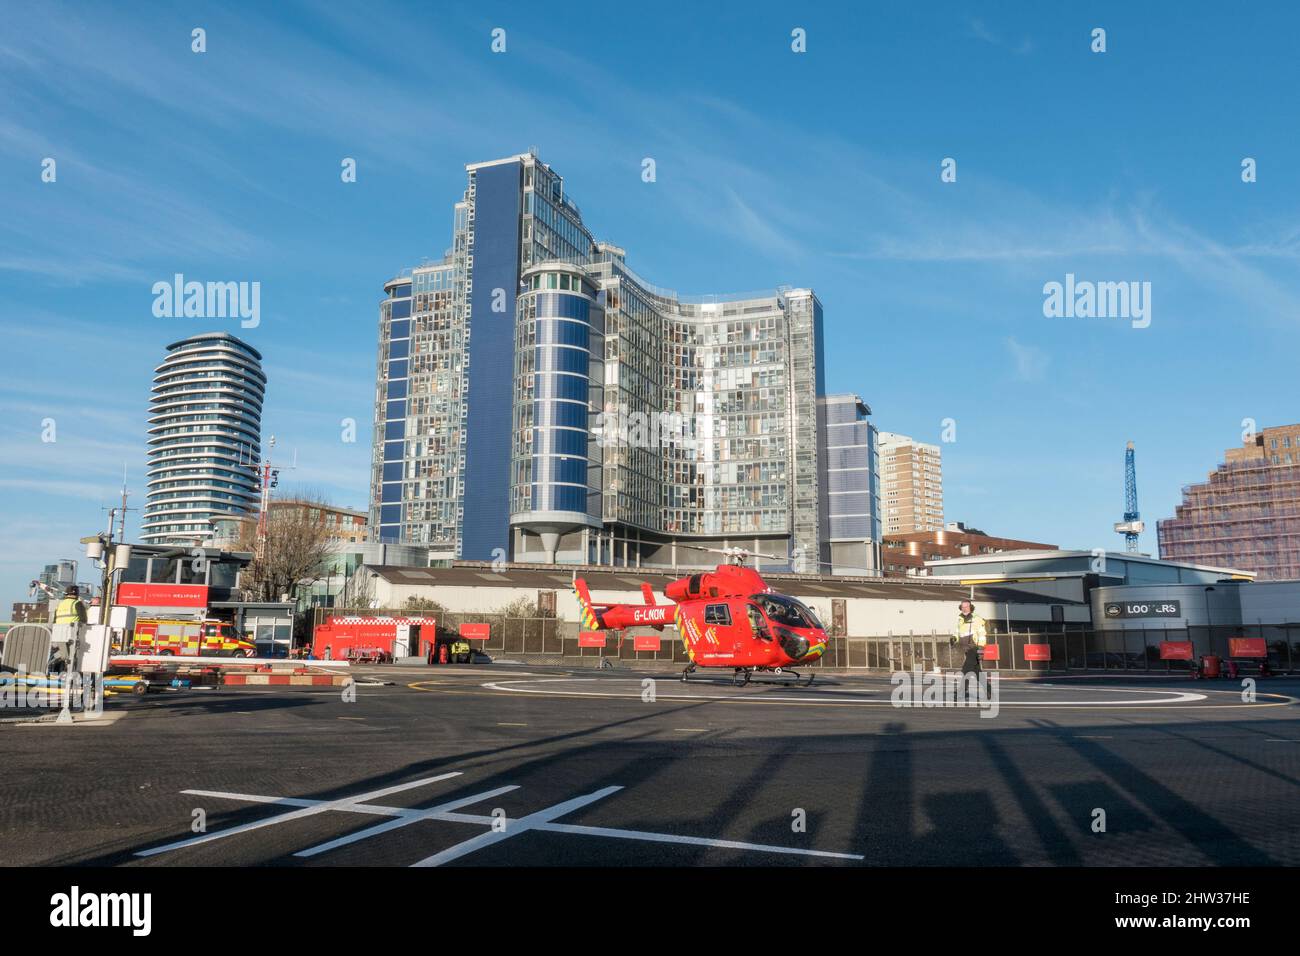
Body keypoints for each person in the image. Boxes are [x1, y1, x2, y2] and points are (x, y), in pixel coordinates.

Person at [950, 599, 987, 698]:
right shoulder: (960, 619)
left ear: (971, 608)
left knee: (965, 669)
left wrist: (980, 649)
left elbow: (982, 635)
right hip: (966, 648)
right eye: (963, 607)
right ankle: (989, 691)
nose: (964, 608)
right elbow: (958, 632)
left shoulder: (977, 619)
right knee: (977, 672)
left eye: (966, 606)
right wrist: (954, 638)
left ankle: (962, 690)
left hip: (974, 648)